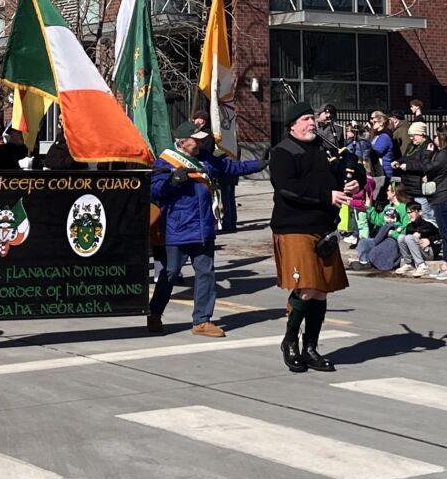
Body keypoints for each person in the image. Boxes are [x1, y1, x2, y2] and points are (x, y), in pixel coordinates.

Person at [147, 122, 264, 336]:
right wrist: (172, 182)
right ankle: (154, 314)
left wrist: (258, 164)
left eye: (202, 139)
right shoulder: (165, 161)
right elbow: (155, 191)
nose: (201, 142)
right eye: (196, 140)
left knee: (206, 275)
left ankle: (202, 321)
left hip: (203, 229)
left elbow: (228, 168)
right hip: (177, 228)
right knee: (170, 273)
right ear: (183, 141)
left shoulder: (203, 158)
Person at [270, 102, 353, 373]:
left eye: (312, 119)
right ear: (292, 125)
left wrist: (353, 181)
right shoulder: (283, 151)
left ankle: (311, 348)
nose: (312, 123)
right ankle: (290, 341)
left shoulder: (323, 148)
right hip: (294, 226)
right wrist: (326, 195)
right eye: (306, 119)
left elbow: (346, 173)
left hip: (323, 226)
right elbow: (287, 189)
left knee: (321, 291)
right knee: (306, 287)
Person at [398, 125, 447, 281]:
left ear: (442, 138)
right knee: (445, 232)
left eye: (435, 136)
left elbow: (428, 168)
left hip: (444, 195)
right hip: (442, 194)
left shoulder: (445, 154)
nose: (433, 140)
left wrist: (427, 154)